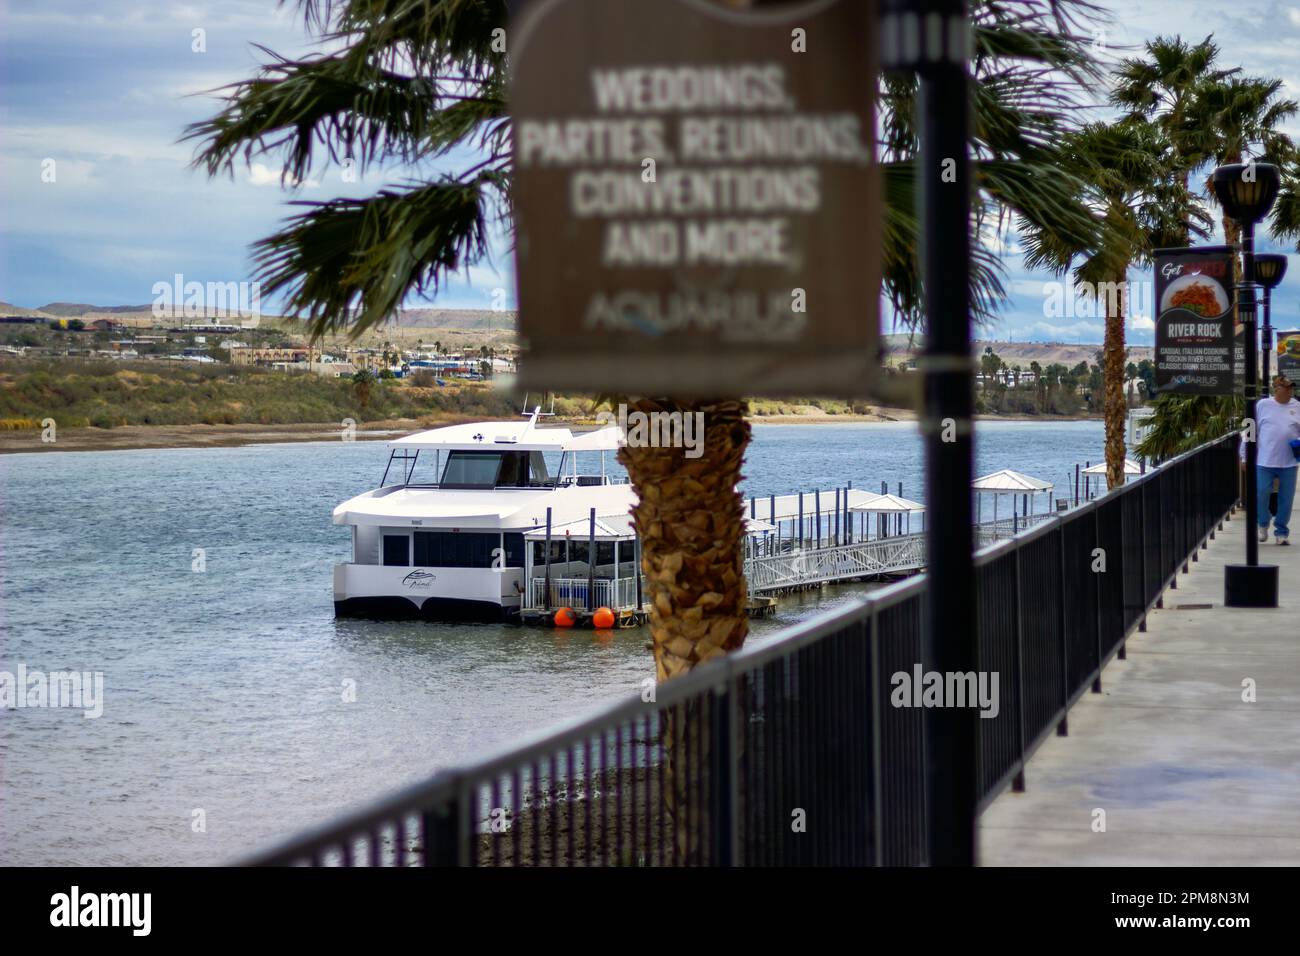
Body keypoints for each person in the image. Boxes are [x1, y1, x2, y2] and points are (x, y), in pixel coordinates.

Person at [1245, 375, 1300, 544]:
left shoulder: (1297, 406)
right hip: (1265, 460)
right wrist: (1243, 455)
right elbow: (1250, 429)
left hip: (1289, 461)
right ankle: (1262, 523)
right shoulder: (1263, 405)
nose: (1290, 391)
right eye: (1287, 388)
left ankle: (1281, 532)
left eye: (1291, 388)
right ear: (1276, 389)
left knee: (1286, 498)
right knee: (1261, 493)